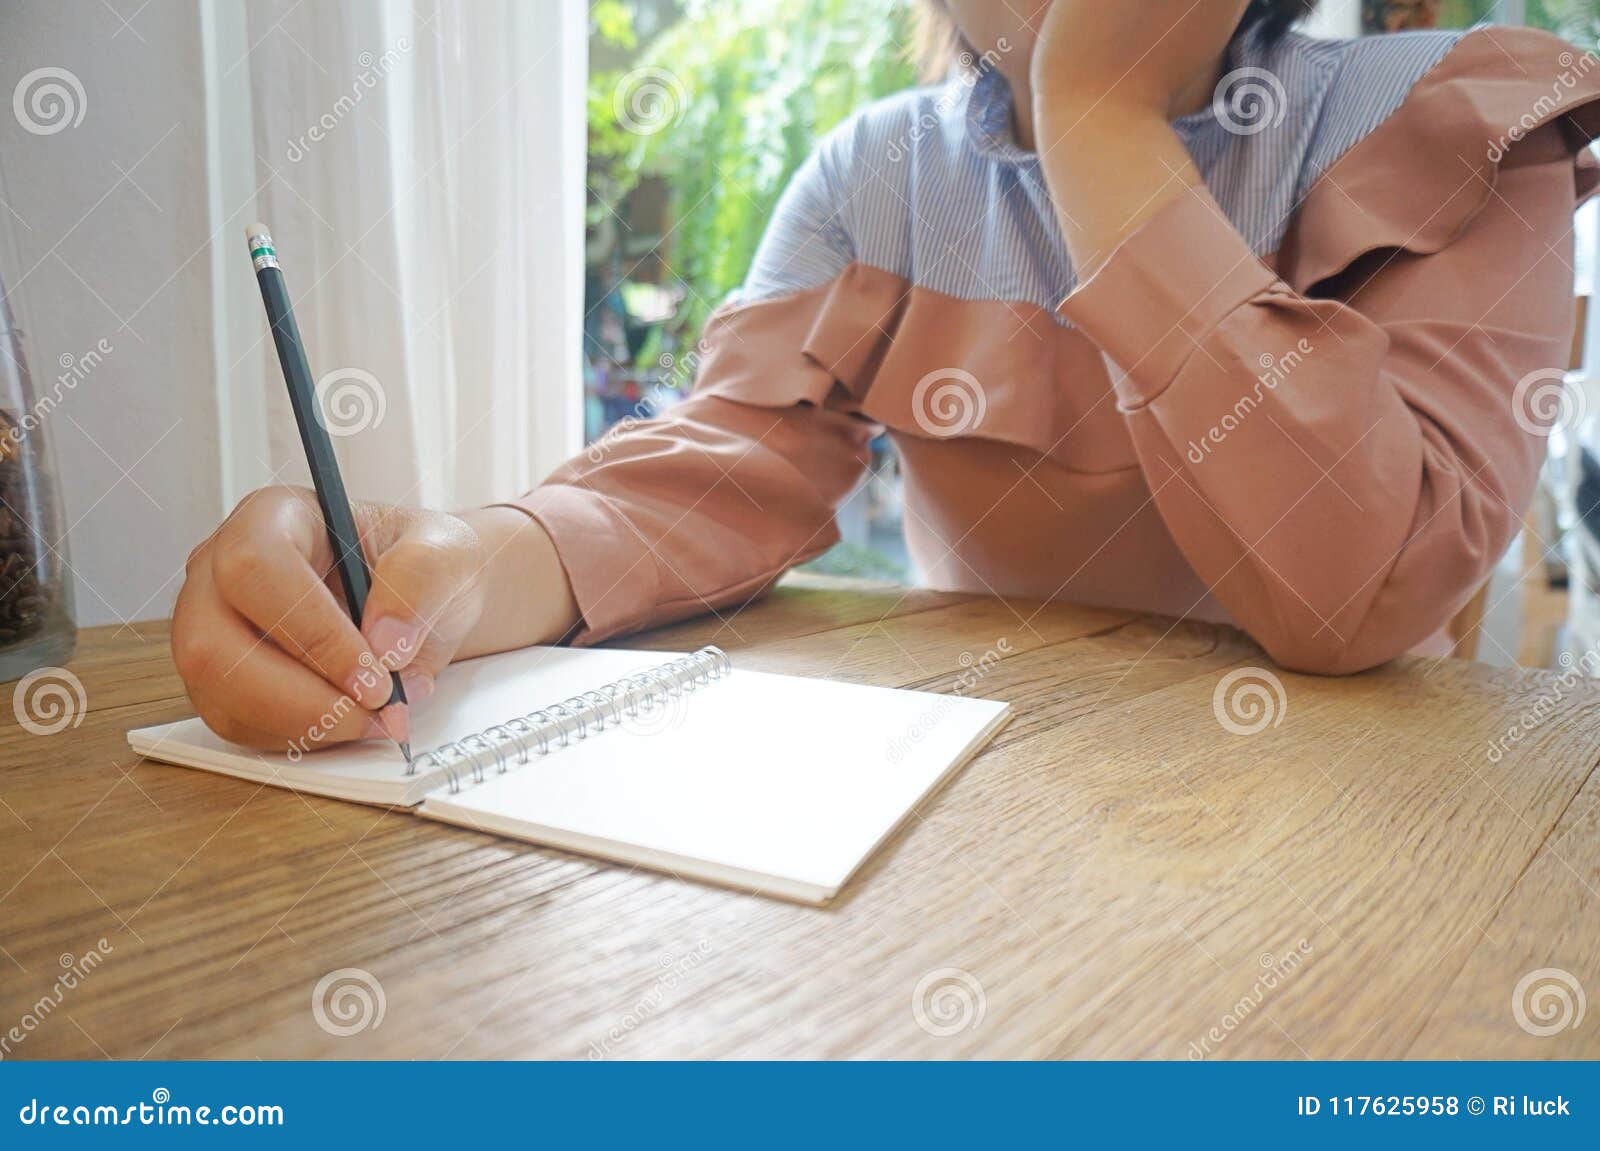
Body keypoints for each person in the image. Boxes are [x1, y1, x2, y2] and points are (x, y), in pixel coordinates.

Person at [171, 0, 1600, 748]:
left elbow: (1361, 590)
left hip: (1358, 841)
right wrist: (461, 560)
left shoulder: (1459, 121)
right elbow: (721, 478)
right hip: (970, 814)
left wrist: (1098, 119)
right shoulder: (879, 175)